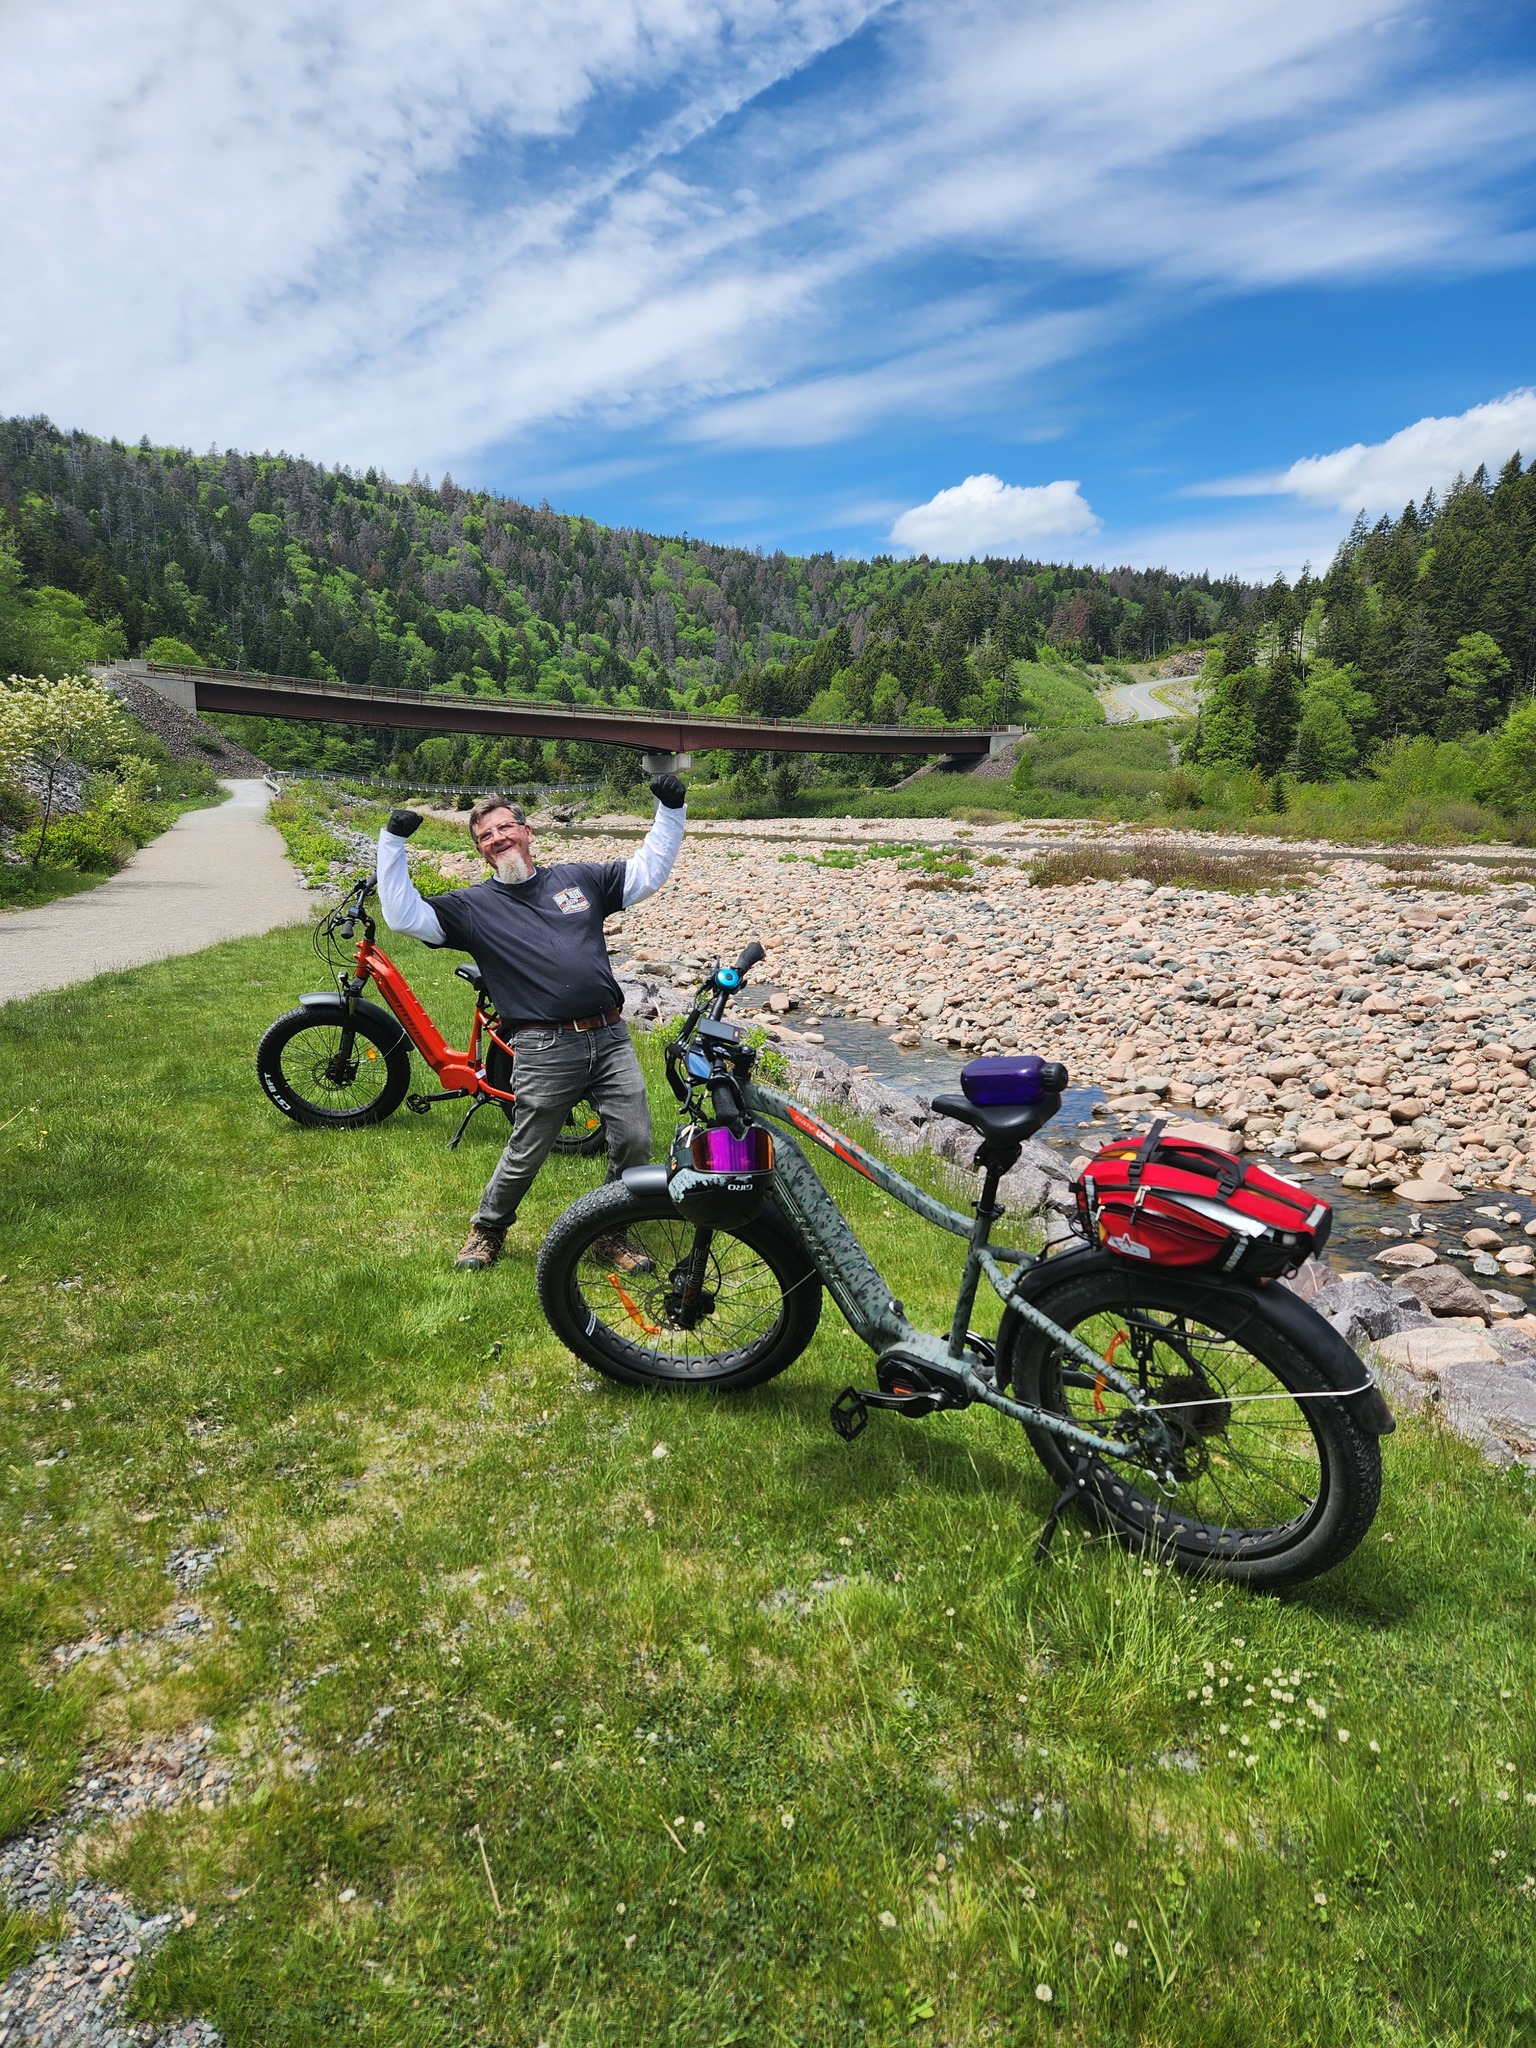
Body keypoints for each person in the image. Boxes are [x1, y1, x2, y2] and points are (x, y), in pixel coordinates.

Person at [377, 775, 687, 1269]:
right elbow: (403, 916)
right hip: (544, 1047)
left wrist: (671, 810)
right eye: (485, 836)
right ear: (481, 851)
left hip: (609, 1036)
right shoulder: (473, 908)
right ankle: (488, 1230)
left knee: (635, 1140)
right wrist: (391, 843)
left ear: (527, 831)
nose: (497, 838)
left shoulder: (579, 880)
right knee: (528, 1147)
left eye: (504, 828)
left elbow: (646, 872)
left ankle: (611, 1232)